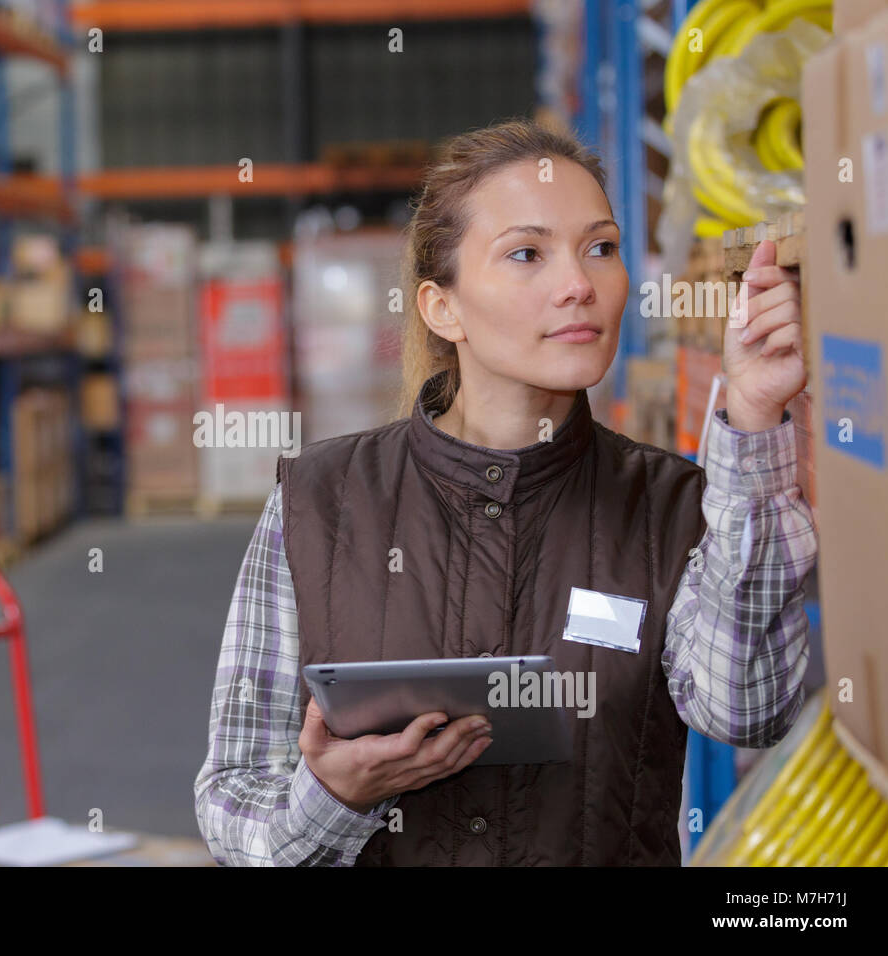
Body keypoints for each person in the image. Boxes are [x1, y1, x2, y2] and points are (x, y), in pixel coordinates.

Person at [193, 118, 816, 866]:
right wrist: (332, 800)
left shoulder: (671, 503)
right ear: (440, 307)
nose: (580, 284)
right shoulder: (320, 500)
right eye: (527, 253)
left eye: (602, 248)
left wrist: (752, 418)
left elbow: (748, 708)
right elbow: (232, 802)